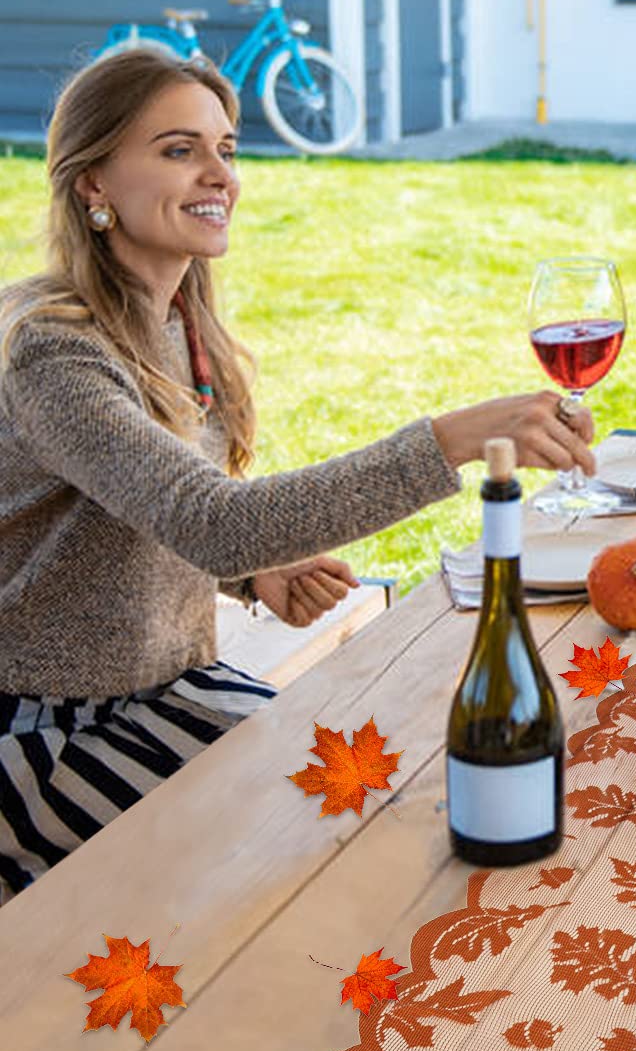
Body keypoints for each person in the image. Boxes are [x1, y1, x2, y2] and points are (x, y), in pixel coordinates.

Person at [0, 49, 597, 903]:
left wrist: (248, 571)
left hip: (164, 693)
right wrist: (451, 438)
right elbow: (209, 516)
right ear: (93, 183)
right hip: (57, 738)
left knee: (389, 778)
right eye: (179, 150)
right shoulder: (54, 348)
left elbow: (148, 512)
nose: (221, 175)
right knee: (339, 852)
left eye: (228, 149)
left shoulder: (173, 324)